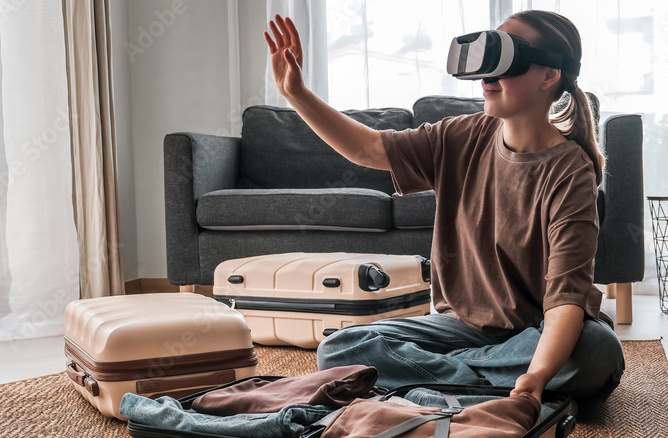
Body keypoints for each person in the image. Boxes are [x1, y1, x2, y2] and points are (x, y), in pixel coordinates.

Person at [264, 10, 624, 402]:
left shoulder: (570, 171)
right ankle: (481, 379)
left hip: (539, 329)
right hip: (461, 328)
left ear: (549, 75)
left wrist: (537, 373)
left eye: (503, 63)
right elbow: (367, 148)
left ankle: (439, 381)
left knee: (596, 352)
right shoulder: (461, 135)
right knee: (342, 348)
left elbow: (566, 300)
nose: (487, 78)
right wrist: (295, 93)